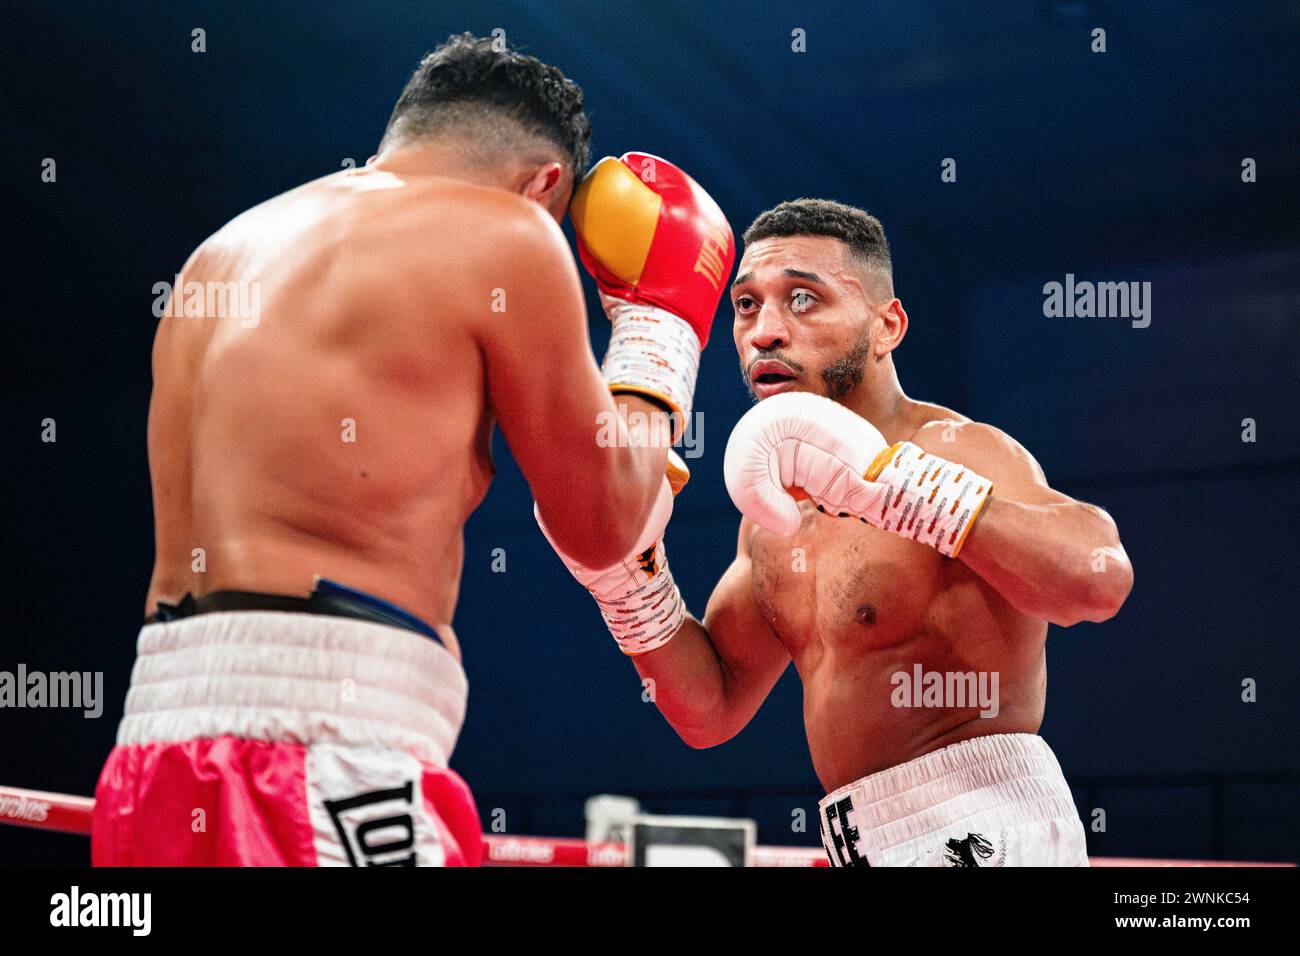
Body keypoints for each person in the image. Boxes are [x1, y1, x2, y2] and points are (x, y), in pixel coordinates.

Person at [92, 33, 733, 866]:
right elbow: (606, 521)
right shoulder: (507, 231)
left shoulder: (220, 253)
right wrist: (660, 332)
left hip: (152, 751)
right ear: (545, 184)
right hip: (327, 745)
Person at [542, 198, 1132, 867]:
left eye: (802, 299)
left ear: (886, 326)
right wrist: (625, 576)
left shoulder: (956, 449)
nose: (765, 330)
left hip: (981, 829)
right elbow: (712, 709)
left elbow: (1097, 581)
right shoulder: (774, 515)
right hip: (866, 842)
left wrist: (898, 488)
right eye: (745, 305)